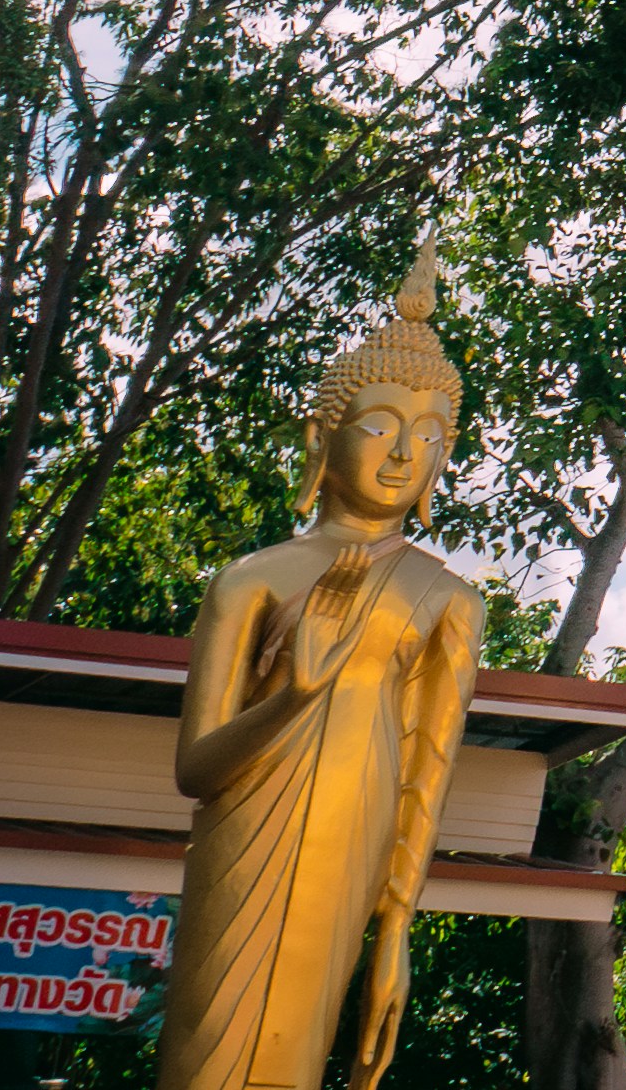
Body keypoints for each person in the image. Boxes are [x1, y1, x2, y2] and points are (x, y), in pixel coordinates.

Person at [159, 252, 482, 1090]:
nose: (406, 453)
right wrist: (293, 699)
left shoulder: (445, 600)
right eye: (380, 425)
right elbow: (196, 771)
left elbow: (427, 773)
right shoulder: (253, 580)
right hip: (242, 843)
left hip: (353, 848)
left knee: (295, 1063)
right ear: (321, 435)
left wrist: (397, 929)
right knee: (206, 1062)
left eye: (432, 437)